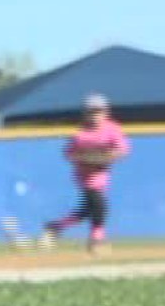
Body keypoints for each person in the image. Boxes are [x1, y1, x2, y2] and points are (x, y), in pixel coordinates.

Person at [37, 93, 130, 254]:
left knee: (88, 210)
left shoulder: (112, 128)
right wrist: (84, 159)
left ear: (106, 112)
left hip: (102, 172)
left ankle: (55, 226)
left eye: (98, 111)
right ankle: (97, 240)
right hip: (85, 174)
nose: (95, 115)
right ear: (85, 114)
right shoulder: (81, 134)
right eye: (91, 111)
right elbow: (69, 154)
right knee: (100, 205)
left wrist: (107, 157)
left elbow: (123, 150)